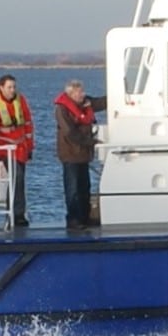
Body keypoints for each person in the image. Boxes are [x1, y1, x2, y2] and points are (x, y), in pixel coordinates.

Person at [0, 74, 35, 227]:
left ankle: (17, 214)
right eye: (9, 87)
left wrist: (30, 146)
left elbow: (28, 125)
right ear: (1, 88)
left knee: (20, 181)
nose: (12, 90)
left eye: (14, 87)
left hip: (21, 149)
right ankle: (15, 214)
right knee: (16, 178)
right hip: (5, 150)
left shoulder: (20, 101)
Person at [53, 78, 104, 230]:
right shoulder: (62, 109)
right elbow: (69, 132)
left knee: (84, 187)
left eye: (82, 91)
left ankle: (85, 216)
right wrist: (90, 142)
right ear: (71, 93)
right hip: (70, 153)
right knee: (73, 188)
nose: (83, 94)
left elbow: (100, 103)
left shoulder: (86, 103)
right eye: (80, 92)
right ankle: (73, 219)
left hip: (83, 154)